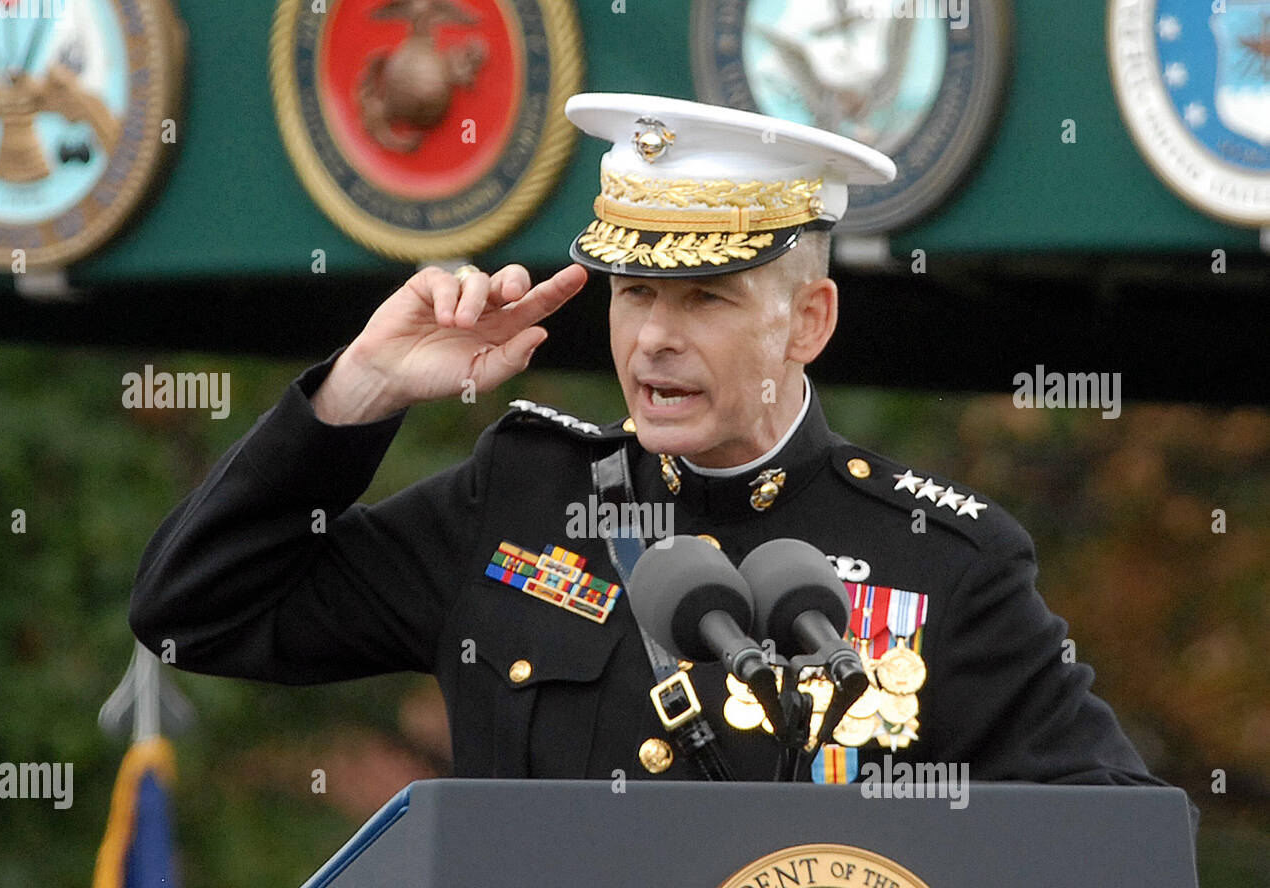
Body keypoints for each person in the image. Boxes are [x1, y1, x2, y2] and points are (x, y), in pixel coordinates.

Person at [129, 94, 1166, 788]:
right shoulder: (521, 501)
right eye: (634, 294)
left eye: (707, 297)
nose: (657, 336)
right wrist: (360, 390)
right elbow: (196, 613)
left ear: (807, 323)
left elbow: (1105, 854)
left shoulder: (946, 565)